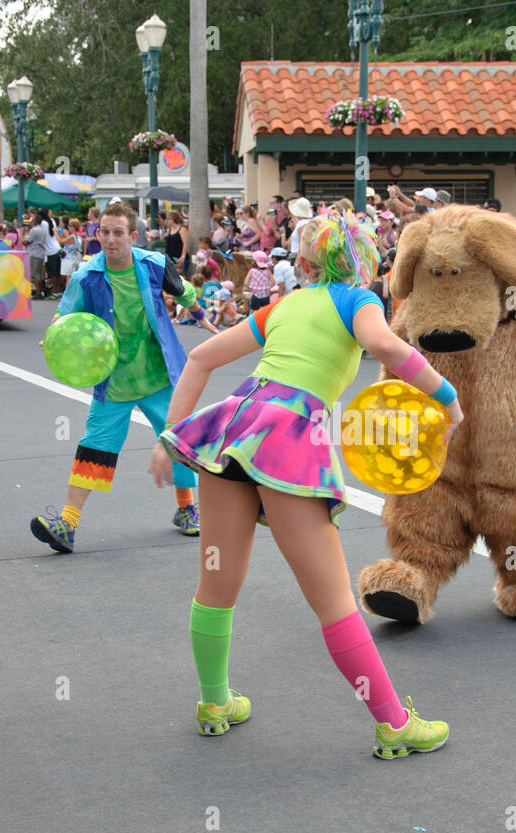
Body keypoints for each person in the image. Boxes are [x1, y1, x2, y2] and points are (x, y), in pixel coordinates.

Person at [148, 211, 457, 758]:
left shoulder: (285, 304)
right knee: (335, 601)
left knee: (217, 585)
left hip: (232, 429)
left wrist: (166, 439)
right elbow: (385, 347)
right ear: (361, 262)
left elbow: (198, 358)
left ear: (308, 262)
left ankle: (215, 703)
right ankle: (393, 725)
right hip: (288, 437)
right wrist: (449, 398)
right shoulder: (358, 300)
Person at [29, 202, 207, 552]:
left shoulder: (154, 264)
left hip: (159, 374)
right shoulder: (87, 276)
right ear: (98, 234)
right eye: (105, 232)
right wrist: (54, 333)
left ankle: (187, 508)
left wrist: (200, 314)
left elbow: (182, 289)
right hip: (114, 381)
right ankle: (67, 524)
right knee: (95, 447)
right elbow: (65, 315)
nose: (110, 239)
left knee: (178, 441)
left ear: (132, 235)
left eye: (118, 233)